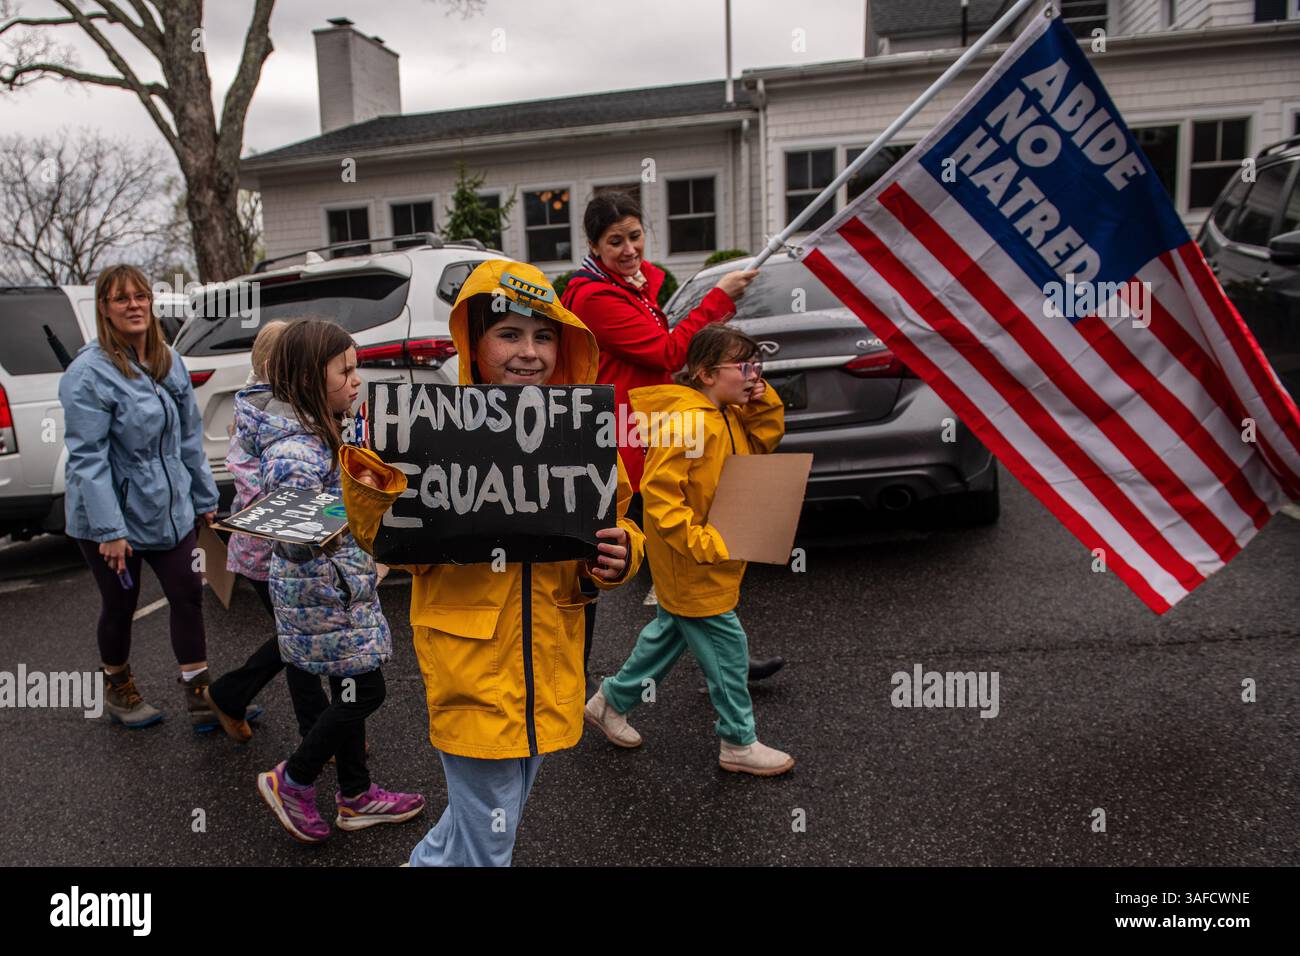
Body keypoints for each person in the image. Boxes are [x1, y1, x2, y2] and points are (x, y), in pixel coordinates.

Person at [342, 260, 645, 866]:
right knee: (489, 838)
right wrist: (371, 472)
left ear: (566, 345)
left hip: (551, 662)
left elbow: (618, 519)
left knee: (481, 816)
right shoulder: (428, 432)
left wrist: (621, 555)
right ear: (472, 345)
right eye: (508, 334)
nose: (529, 352)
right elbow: (381, 538)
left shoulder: (580, 432)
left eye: (543, 336)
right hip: (473, 664)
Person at [561, 191, 783, 683]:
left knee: (675, 573)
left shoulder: (632, 287)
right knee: (673, 566)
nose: (629, 249)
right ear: (594, 246)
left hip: (654, 431)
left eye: (635, 236)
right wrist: (720, 297)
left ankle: (712, 665)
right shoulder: (596, 297)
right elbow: (666, 353)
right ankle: (580, 686)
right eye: (615, 241)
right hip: (631, 442)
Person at [585, 323, 795, 776]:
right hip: (693, 558)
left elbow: (766, 440)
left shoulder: (728, 413)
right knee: (727, 646)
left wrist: (762, 399)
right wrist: (701, 543)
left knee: (669, 635)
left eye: (756, 365)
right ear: (704, 373)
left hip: (712, 556)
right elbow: (660, 496)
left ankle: (611, 701)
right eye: (743, 366)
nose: (753, 374)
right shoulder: (690, 421)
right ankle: (737, 742)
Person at [251, 319, 424, 844]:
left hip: (339, 589)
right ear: (308, 379)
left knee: (348, 687)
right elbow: (292, 537)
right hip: (325, 596)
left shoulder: (326, 432)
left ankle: (356, 794)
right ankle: (294, 779)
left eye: (357, 368)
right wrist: (351, 511)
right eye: (344, 371)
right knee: (364, 690)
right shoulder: (293, 454)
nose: (357, 380)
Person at [60, 264, 220, 729]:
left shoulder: (167, 360)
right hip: (109, 517)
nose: (133, 305)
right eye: (121, 299)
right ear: (105, 310)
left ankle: (199, 693)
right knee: (120, 606)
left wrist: (204, 497)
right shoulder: (88, 374)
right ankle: (118, 686)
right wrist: (110, 530)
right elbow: (88, 459)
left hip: (168, 509)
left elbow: (188, 438)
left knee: (188, 592)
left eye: (140, 297)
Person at [202, 320, 324, 743]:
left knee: (298, 636)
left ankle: (230, 694)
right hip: (264, 551)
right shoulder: (257, 414)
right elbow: (257, 485)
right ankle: (317, 733)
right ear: (278, 365)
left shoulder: (291, 404)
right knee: (298, 640)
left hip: (290, 545)